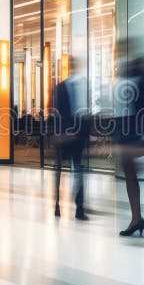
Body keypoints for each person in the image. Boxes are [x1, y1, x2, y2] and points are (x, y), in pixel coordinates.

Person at [116, 53, 144, 237]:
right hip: (132, 136)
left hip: (138, 138)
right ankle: (136, 218)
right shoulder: (133, 84)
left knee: (131, 175)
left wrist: (142, 140)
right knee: (130, 176)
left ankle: (136, 218)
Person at [51, 58, 89, 221]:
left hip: (78, 135)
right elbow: (54, 112)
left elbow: (85, 113)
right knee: (59, 170)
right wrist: (56, 134)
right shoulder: (60, 88)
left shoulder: (83, 86)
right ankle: (57, 204)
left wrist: (84, 134)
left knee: (78, 170)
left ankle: (79, 207)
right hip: (63, 135)